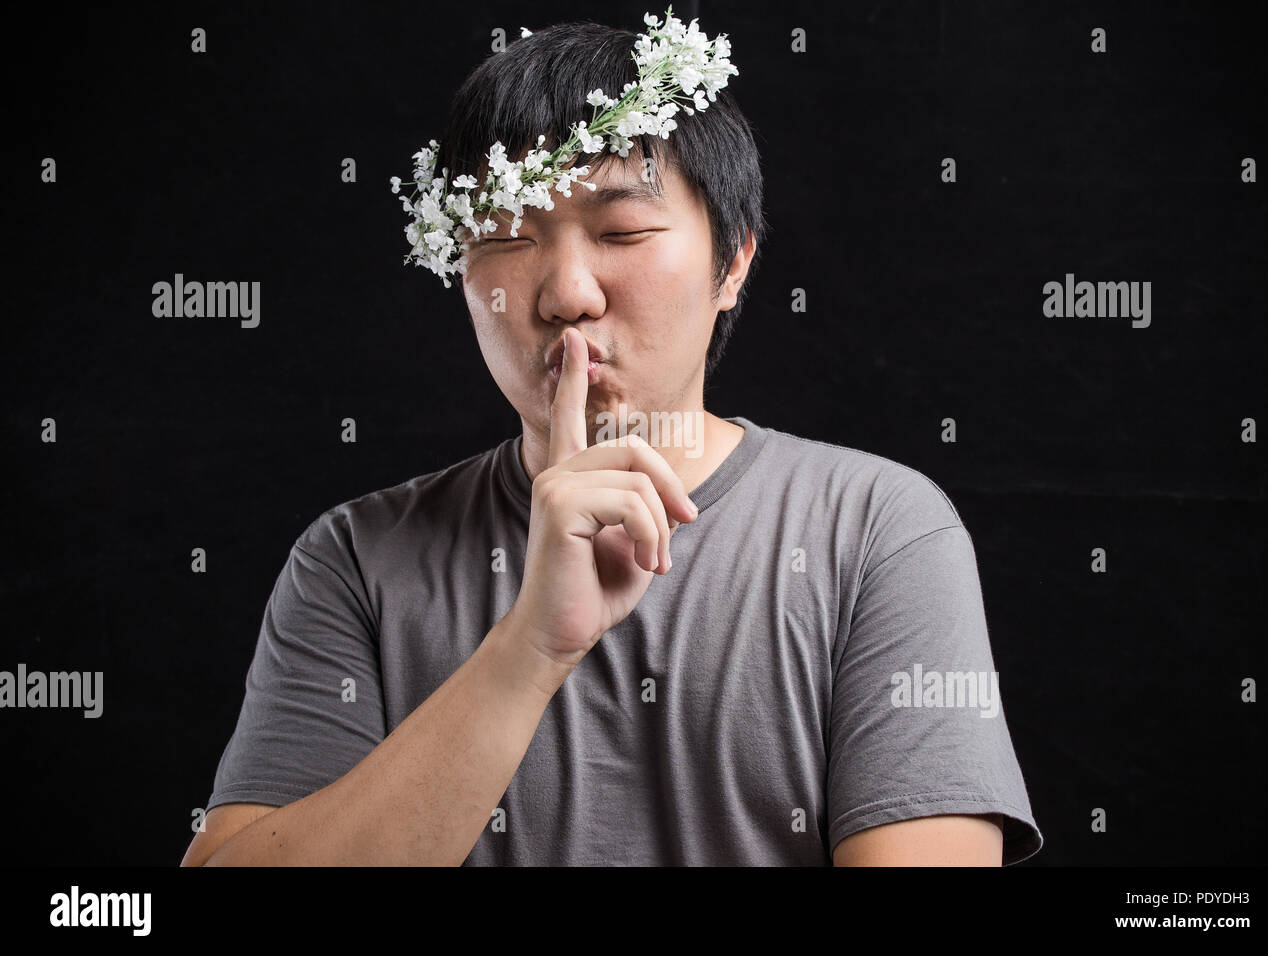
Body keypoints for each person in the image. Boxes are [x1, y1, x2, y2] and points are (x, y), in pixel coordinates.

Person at [182, 18, 1042, 867]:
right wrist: (531, 648)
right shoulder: (355, 557)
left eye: (622, 233)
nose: (566, 294)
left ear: (733, 262)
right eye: (507, 239)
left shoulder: (876, 531)